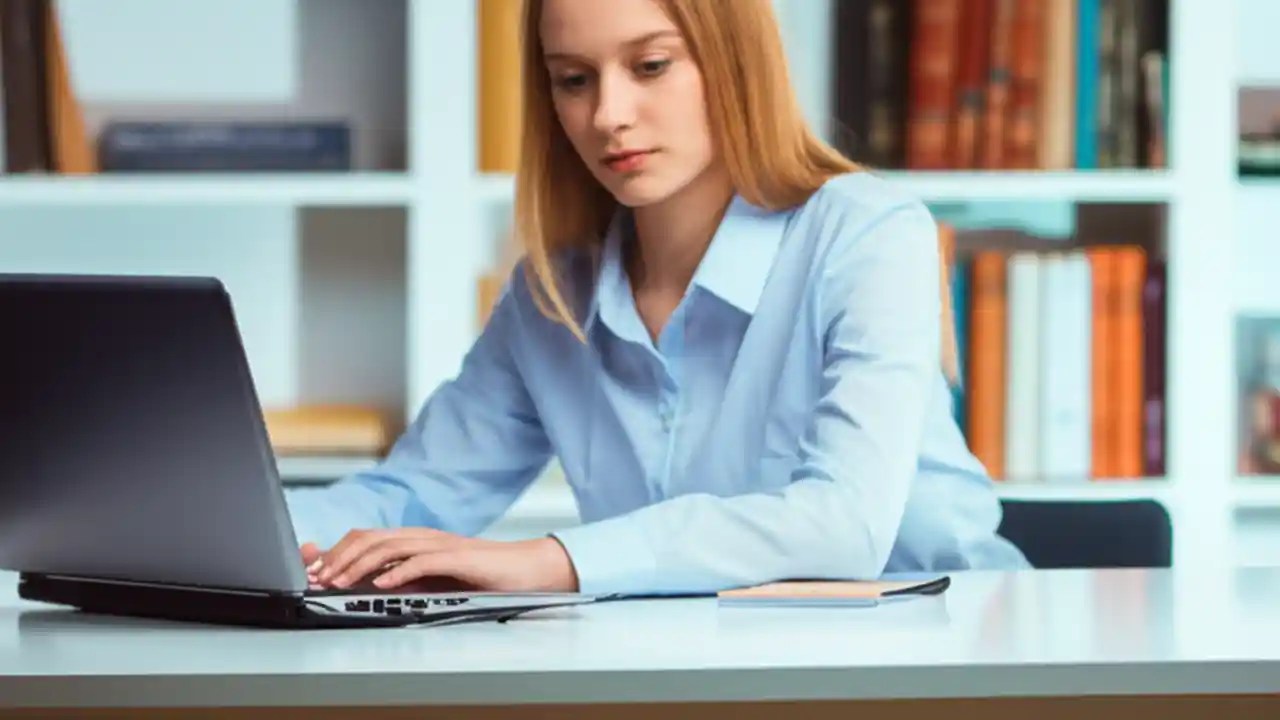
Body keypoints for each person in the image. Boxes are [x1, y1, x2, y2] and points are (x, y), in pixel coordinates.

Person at [286, 0, 1029, 597]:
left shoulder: (865, 232)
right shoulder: (555, 294)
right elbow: (412, 495)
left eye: (650, 66)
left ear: (733, 61)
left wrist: (549, 561)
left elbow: (843, 528)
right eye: (573, 79)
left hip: (949, 655)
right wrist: (247, 532)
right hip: (692, 664)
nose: (607, 115)